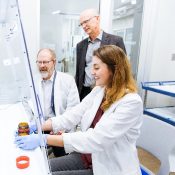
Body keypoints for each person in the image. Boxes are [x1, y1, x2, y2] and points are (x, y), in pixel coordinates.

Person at [15, 45, 143, 175]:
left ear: (114, 69)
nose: (92, 72)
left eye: (97, 67)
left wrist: (44, 138)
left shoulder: (131, 102)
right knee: (39, 168)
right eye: (92, 67)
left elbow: (96, 139)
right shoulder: (99, 91)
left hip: (110, 167)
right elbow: (73, 115)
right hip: (87, 156)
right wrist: (38, 126)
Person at [34, 48, 80, 157]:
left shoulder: (67, 80)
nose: (42, 65)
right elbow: (28, 105)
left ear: (54, 62)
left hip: (60, 127)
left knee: (61, 155)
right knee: (35, 156)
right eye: (39, 62)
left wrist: (62, 128)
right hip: (39, 125)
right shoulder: (33, 82)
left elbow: (74, 109)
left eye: (45, 62)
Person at [75, 8, 126, 101]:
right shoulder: (80, 45)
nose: (84, 26)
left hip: (107, 91)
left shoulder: (115, 41)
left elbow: (122, 70)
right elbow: (79, 72)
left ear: (97, 19)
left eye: (86, 21)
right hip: (85, 92)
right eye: (81, 24)